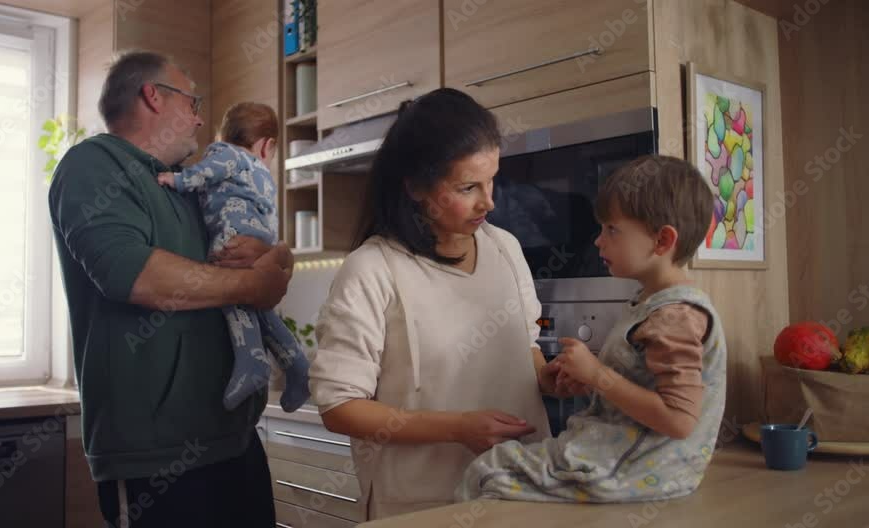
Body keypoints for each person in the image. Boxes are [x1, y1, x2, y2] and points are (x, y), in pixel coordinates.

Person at [48, 50, 292, 527]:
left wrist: (277, 258)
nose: (201, 121)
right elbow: (133, 274)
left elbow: (262, 244)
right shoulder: (94, 165)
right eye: (193, 103)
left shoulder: (187, 185)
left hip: (235, 441)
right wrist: (252, 285)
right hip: (154, 459)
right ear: (152, 96)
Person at [308, 88, 569, 521]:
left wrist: (552, 379)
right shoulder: (373, 269)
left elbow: (526, 351)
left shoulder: (505, 248)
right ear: (414, 187)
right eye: (468, 187)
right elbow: (339, 407)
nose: (489, 202)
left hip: (521, 490)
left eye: (491, 181)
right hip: (420, 505)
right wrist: (458, 428)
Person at [456, 155, 728, 504]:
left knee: (489, 470)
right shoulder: (653, 303)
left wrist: (599, 374)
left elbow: (678, 420)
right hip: (638, 463)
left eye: (611, 229)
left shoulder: (675, 316)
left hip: (640, 470)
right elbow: (644, 386)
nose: (598, 241)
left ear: (662, 241)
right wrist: (589, 381)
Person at [157, 102, 310, 413]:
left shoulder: (225, 153)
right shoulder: (262, 173)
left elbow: (207, 173)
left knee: (231, 290)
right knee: (260, 307)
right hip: (260, 237)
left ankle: (251, 360)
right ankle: (298, 366)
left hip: (233, 229)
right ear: (267, 146)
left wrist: (178, 181)